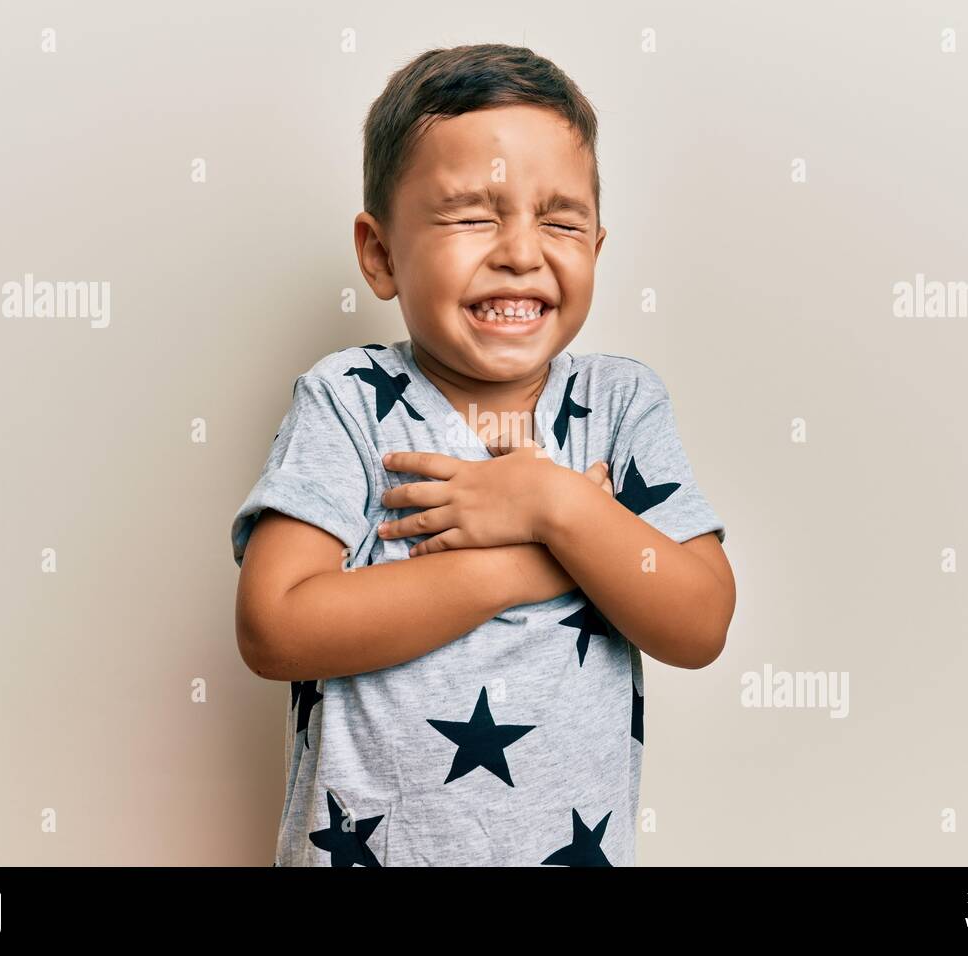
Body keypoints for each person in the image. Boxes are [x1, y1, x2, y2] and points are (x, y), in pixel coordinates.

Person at [231, 43, 735, 866]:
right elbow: (275, 626)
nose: (521, 251)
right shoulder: (347, 401)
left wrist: (553, 504)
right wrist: (536, 565)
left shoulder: (619, 405)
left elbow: (701, 620)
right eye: (473, 216)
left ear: (597, 251)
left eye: (561, 220)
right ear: (380, 252)